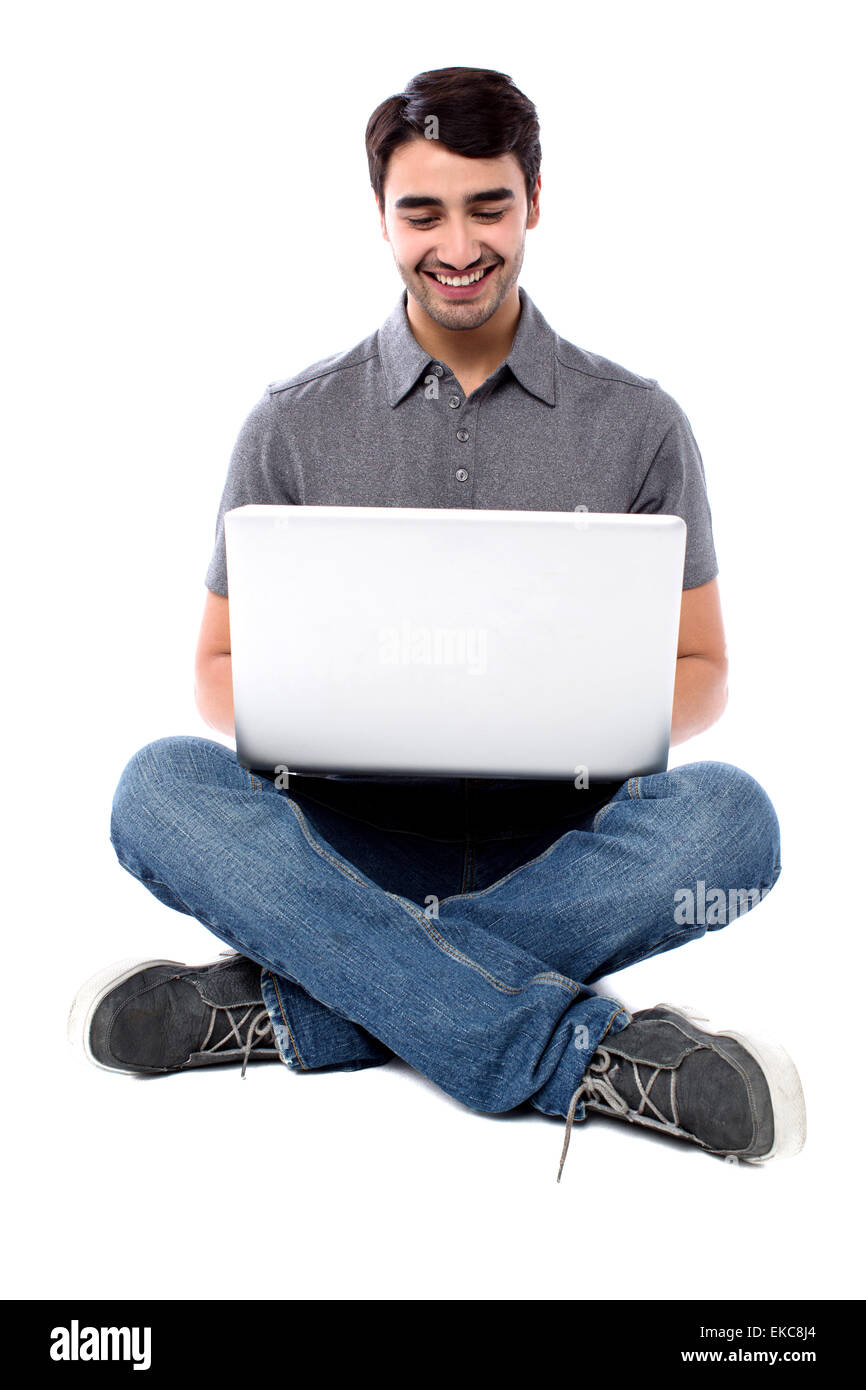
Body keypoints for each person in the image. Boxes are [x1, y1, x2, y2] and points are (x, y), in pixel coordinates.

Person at [68, 66, 806, 1178]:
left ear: (535, 203)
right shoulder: (291, 423)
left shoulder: (641, 424)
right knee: (155, 789)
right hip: (337, 838)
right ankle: (581, 1058)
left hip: (563, 839)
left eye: (486, 207)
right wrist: (313, 712)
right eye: (421, 212)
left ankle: (311, 1005)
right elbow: (215, 669)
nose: (455, 243)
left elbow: (702, 668)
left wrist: (575, 708)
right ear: (380, 218)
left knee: (734, 827)